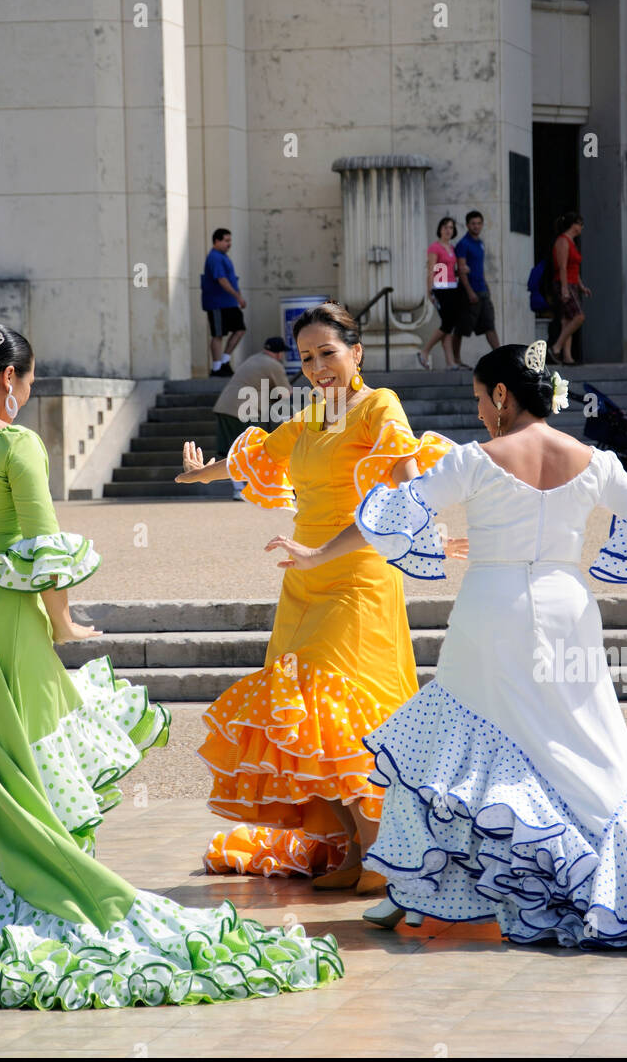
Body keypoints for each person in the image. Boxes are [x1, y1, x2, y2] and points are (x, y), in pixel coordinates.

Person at [0, 318, 341, 1008]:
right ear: (7, 380)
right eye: (25, 382)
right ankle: (48, 880)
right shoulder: (13, 441)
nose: (23, 394)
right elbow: (41, 548)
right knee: (35, 746)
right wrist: (62, 622)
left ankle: (0, 878)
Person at [273, 342, 627, 959]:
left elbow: (389, 516)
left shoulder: (475, 460)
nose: (481, 410)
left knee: (451, 747)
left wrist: (318, 552)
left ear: (504, 396)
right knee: (588, 748)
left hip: (493, 615)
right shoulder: (594, 460)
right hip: (568, 612)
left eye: (481, 398)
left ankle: (422, 887)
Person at [175, 302, 462, 890]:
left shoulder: (378, 406)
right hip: (301, 581)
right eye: (306, 357)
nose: (316, 366)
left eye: (327, 353)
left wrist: (423, 530)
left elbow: (406, 483)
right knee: (297, 716)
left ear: (356, 352)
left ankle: (383, 855)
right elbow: (254, 457)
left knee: (340, 708)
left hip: (357, 574)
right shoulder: (307, 419)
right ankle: (353, 850)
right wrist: (198, 474)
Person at [213, 336, 292, 501]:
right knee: (249, 450)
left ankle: (238, 489)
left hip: (224, 406)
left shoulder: (253, 359)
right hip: (243, 410)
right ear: (278, 354)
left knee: (232, 450)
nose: (282, 356)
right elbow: (286, 394)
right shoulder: (274, 365)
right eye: (282, 353)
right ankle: (248, 489)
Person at [453, 211, 500, 367]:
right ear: (467, 225)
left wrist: (486, 286)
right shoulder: (463, 244)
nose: (476, 226)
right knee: (461, 328)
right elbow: (461, 269)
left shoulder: (480, 243)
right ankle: (456, 360)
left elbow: (479, 268)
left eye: (479, 223)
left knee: (489, 326)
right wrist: (469, 291)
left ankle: (502, 357)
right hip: (469, 293)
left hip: (483, 291)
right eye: (473, 223)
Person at [201, 228, 246, 377]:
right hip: (217, 303)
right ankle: (216, 368)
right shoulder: (215, 257)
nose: (229, 244)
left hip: (229, 303)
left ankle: (225, 361)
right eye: (226, 241)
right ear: (217, 241)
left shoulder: (224, 257)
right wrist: (237, 296)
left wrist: (237, 296)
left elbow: (232, 279)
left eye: (230, 240)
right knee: (218, 334)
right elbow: (222, 279)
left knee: (240, 329)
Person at [418, 216, 460, 371]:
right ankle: (425, 350)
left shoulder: (452, 248)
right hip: (440, 288)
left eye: (451, 227)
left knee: (448, 326)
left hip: (452, 287)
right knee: (448, 323)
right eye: (445, 227)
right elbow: (431, 268)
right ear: (440, 229)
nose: (448, 230)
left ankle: (450, 362)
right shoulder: (434, 247)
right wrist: (430, 290)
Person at [550, 212, 591, 365]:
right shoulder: (563, 241)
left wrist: (581, 286)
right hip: (564, 283)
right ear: (573, 225)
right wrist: (564, 289)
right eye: (580, 224)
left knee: (568, 321)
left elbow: (574, 267)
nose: (581, 227)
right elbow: (562, 267)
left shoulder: (572, 242)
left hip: (572, 283)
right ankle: (556, 347)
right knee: (579, 317)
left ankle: (567, 357)